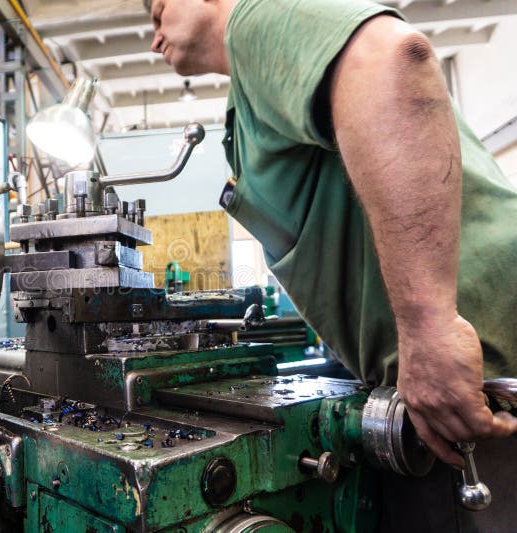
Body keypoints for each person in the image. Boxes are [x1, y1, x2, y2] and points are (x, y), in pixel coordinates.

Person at [145, 0, 517, 529]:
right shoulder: (249, 96)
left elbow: (393, 56)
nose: (154, 38)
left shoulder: (254, 18)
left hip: (484, 382)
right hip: (452, 396)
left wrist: (429, 327)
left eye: (158, 12)